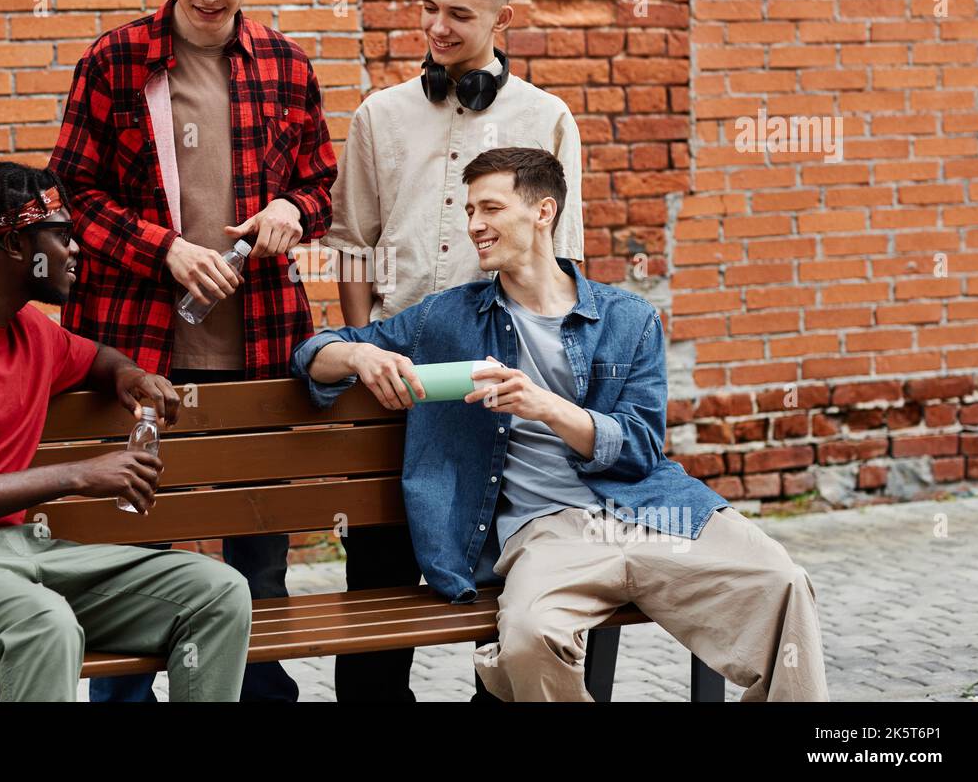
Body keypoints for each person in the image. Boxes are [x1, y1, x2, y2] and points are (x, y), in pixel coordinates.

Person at [293, 148, 829, 701]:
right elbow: (315, 351)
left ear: (543, 212)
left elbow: (641, 448)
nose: (474, 225)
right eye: (470, 210)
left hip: (650, 510)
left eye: (491, 209)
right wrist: (359, 358)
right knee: (527, 637)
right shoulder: (446, 316)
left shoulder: (629, 318)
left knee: (782, 585)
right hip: (547, 531)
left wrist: (546, 405)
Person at [47, 0, 336, 702]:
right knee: (133, 555)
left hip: (258, 347)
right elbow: (69, 197)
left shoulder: (285, 64)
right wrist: (165, 250)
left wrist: (291, 209)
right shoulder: (115, 60)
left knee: (260, 556)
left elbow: (321, 184)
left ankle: (261, 693)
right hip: (139, 351)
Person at [0, 162, 252, 702]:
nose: (76, 249)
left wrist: (129, 375)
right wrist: (79, 475)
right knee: (42, 623)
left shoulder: (31, 330)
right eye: (61, 235)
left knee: (217, 592)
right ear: (13, 242)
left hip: (17, 554)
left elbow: (97, 359)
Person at [322, 0, 585, 701]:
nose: (437, 29)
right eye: (429, 9)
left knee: (501, 582)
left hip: (497, 381)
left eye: (460, 16)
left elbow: (560, 266)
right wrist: (366, 347)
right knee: (374, 577)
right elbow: (349, 247)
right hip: (394, 373)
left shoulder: (547, 117)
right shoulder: (381, 114)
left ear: (504, 16)